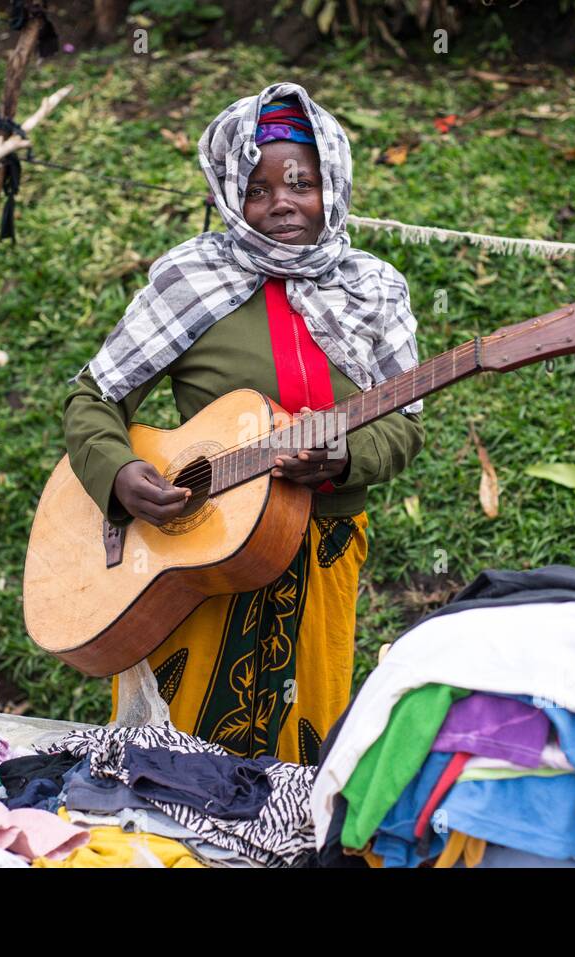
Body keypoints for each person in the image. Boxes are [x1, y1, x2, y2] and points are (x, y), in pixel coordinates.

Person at [62, 83, 424, 765]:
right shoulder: (192, 278)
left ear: (332, 185)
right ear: (231, 195)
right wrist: (121, 474)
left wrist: (345, 458)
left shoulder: (374, 289)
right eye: (256, 190)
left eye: (300, 183)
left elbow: (404, 424)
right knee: (177, 756)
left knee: (304, 743)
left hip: (321, 550)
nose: (280, 202)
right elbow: (94, 398)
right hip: (196, 554)